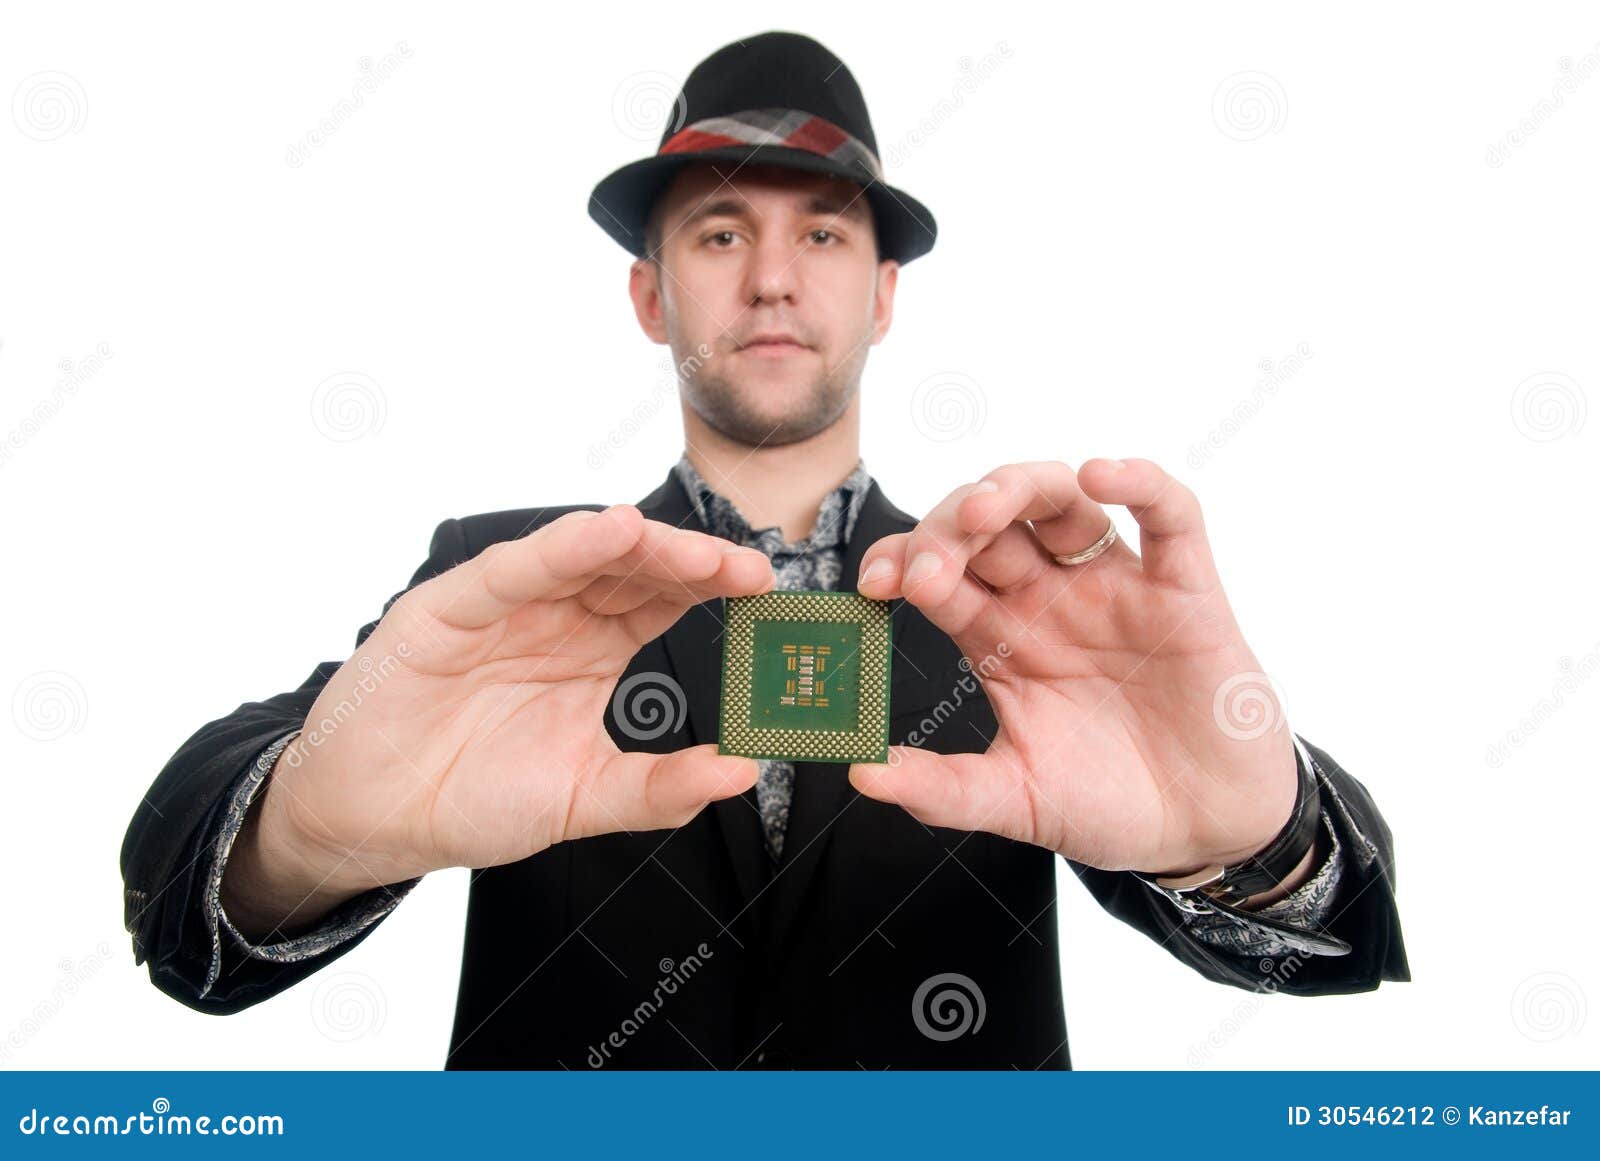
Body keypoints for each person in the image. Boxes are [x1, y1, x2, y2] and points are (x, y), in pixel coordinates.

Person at [120, 30, 1409, 1069]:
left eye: (826, 234)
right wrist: (303, 831)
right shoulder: (507, 582)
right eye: (723, 233)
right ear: (651, 291)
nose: (774, 278)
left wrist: (1259, 850)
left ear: (884, 293)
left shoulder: (1023, 607)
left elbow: (1335, 939)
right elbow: (185, 909)